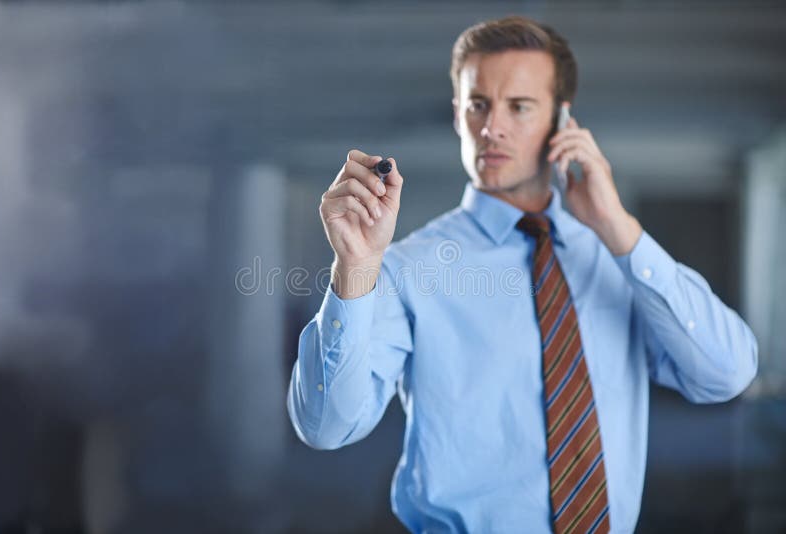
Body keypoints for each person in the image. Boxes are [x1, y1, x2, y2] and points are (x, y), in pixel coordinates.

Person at [286, 15, 758, 534]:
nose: (492, 127)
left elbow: (726, 375)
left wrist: (618, 227)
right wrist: (354, 266)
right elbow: (326, 427)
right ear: (457, 114)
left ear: (562, 120)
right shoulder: (405, 267)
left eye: (519, 106)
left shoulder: (620, 258)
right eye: (478, 104)